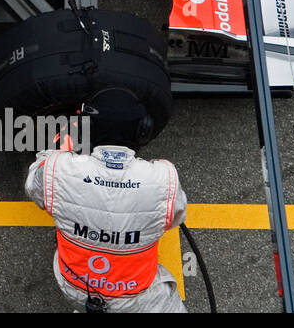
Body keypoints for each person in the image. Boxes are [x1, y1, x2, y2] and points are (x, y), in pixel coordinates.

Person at [24, 91, 187, 313]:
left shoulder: (58, 170)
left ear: (87, 130)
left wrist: (55, 152)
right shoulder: (163, 177)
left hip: (75, 288)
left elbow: (34, 187)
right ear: (143, 131)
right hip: (138, 298)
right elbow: (176, 219)